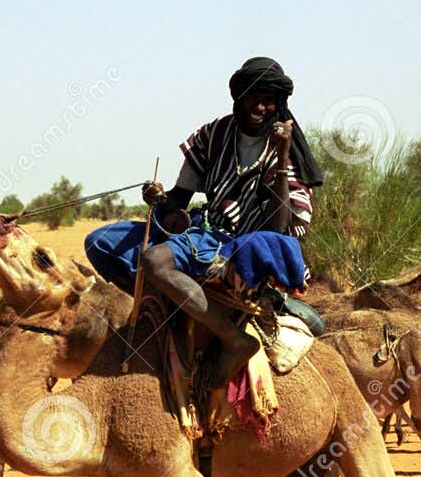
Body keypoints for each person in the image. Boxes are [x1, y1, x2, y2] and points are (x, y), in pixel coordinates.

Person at [84, 55, 324, 385]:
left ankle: (232, 339)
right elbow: (178, 201)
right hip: (204, 233)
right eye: (252, 97)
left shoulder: (286, 149)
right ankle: (173, 303)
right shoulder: (215, 135)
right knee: (100, 242)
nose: (259, 107)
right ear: (238, 97)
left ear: (278, 104)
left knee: (154, 260)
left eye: (268, 101)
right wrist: (159, 199)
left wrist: (281, 157)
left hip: (244, 247)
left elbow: (279, 228)